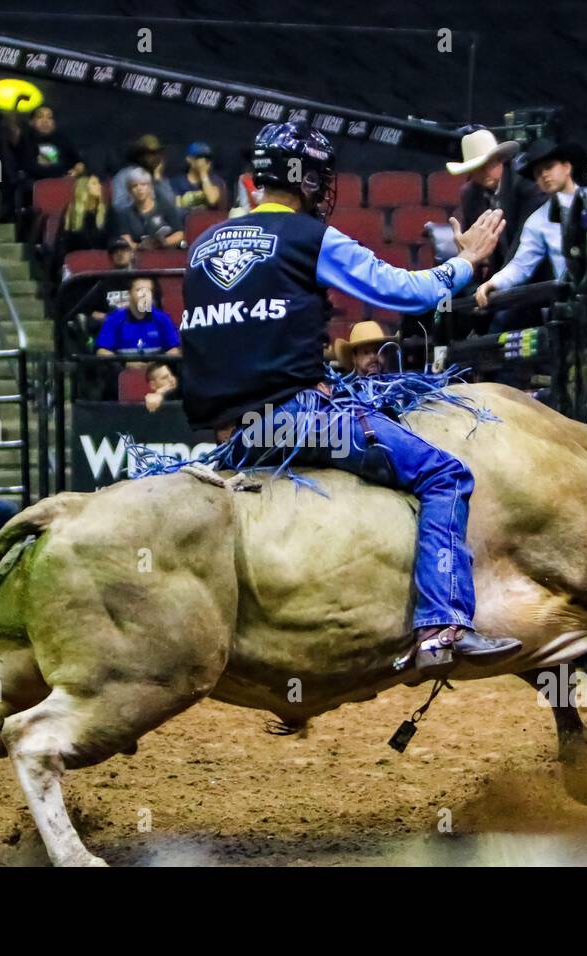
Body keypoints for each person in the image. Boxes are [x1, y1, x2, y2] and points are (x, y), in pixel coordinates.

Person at [180, 119, 520, 676]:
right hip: (295, 420)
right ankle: (441, 628)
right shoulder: (307, 237)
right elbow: (399, 289)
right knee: (446, 476)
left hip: (227, 437)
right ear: (308, 179)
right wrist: (465, 263)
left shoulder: (203, 244)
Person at [474, 138, 583, 307]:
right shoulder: (537, 221)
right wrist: (494, 282)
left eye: (549, 167)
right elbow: (522, 264)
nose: (544, 175)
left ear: (567, 167)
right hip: (573, 302)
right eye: (538, 172)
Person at [446, 126, 530, 283]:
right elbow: (473, 246)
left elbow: (526, 242)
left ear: (500, 161)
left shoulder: (523, 184)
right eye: (477, 168)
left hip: (533, 273)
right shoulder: (470, 194)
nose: (483, 173)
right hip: (497, 273)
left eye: (488, 165)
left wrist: (500, 281)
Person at [94, 276, 181, 356]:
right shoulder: (114, 319)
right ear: (129, 294)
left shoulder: (163, 319)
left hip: (155, 369)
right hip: (123, 370)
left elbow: (175, 350)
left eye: (148, 290)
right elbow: (102, 351)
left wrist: (155, 365)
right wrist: (123, 363)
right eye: (139, 290)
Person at [115, 167, 184, 249]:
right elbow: (126, 240)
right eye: (134, 186)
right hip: (140, 256)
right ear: (130, 191)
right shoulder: (125, 213)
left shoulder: (165, 206)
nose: (139, 189)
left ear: (150, 187)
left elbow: (180, 234)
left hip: (167, 253)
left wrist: (164, 243)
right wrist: (139, 246)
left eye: (143, 184)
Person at [111, 133, 177, 210]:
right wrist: (140, 198)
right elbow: (118, 205)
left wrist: (158, 180)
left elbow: (170, 203)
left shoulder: (160, 178)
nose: (155, 157)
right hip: (134, 220)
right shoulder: (124, 176)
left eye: (157, 153)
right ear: (140, 156)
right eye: (150, 153)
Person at [58, 174, 112, 253]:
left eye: (99, 183)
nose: (100, 186)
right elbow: (66, 241)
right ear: (84, 188)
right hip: (77, 257)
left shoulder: (107, 211)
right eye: (94, 183)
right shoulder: (72, 212)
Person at [170, 142, 228, 211]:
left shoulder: (216, 180)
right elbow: (177, 208)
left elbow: (212, 200)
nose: (204, 161)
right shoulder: (178, 181)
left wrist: (203, 173)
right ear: (189, 159)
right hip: (188, 219)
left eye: (208, 158)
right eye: (200, 157)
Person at [332, 319, 400, 377]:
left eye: (377, 351)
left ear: (385, 354)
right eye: (366, 352)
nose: (373, 356)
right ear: (354, 357)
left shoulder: (396, 385)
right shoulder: (346, 389)